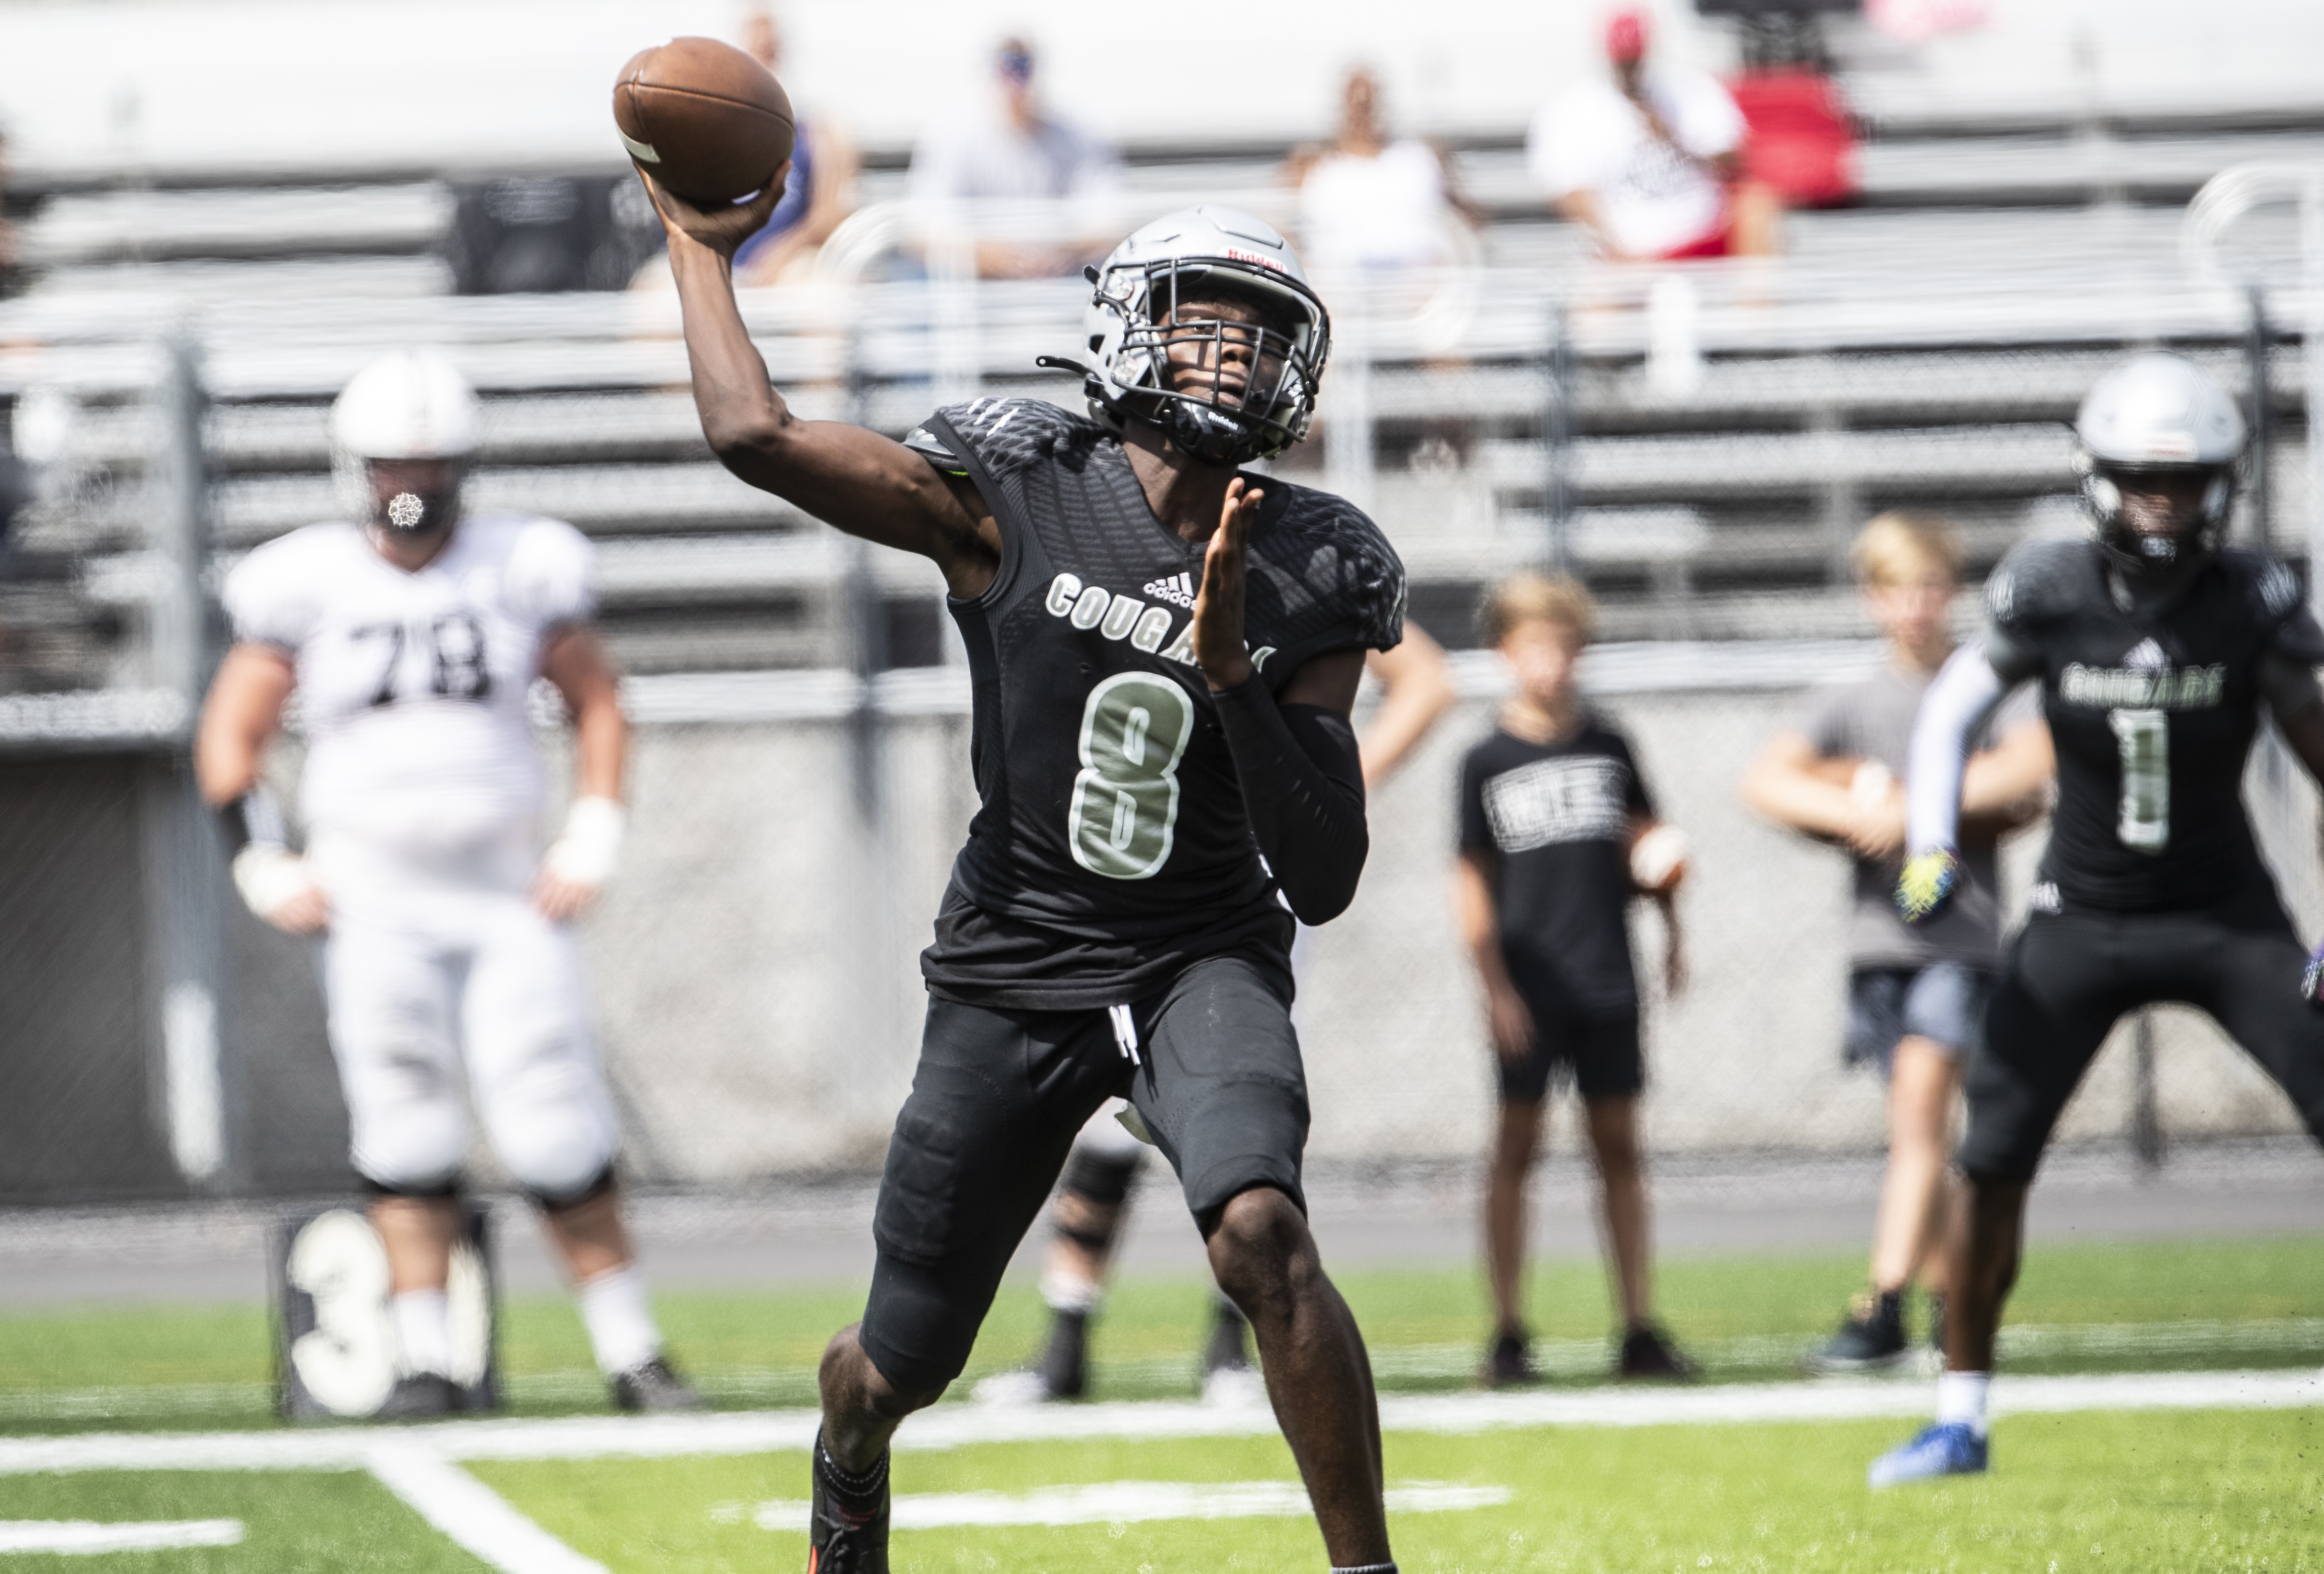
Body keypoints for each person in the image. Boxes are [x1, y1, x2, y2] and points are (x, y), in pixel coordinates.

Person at [646, 161, 1408, 1573]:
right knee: (898, 1363)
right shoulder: (1016, 483)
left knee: (1262, 1235)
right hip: (1015, 964)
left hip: (1202, 953)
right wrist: (701, 248)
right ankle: (848, 1458)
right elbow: (755, 434)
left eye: (1260, 329)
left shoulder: (1317, 558)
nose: (1234, 354)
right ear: (1128, 326)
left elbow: (1328, 872)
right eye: (1206, 320)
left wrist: (1233, 667)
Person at [194, 350, 700, 1418]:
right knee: (404, 1126)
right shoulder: (306, 578)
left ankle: (632, 1350)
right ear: (355, 468)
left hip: (503, 895)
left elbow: (597, 702)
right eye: (391, 463)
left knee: (556, 1122)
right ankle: (423, 1354)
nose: (409, 482)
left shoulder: (522, 564)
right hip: (373, 901)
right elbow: (230, 733)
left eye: (429, 461)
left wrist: (593, 830)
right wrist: (259, 850)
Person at [1869, 354, 2324, 1485]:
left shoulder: (2255, 599)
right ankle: (1960, 1413)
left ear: (2221, 483)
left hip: (2227, 915)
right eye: (2139, 480)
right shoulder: (2051, 588)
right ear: (2097, 478)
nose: (2160, 503)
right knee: (1988, 1156)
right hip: (2080, 915)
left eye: (2183, 482)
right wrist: (1931, 845)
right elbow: (1947, 717)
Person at [977, 624, 1461, 1408]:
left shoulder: (1294, 553)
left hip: (1237, 867)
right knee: (1106, 1107)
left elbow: (1428, 679)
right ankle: (1065, 1350)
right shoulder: (1126, 542)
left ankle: (1232, 1348)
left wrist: (1323, 791)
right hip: (1141, 857)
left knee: (1237, 1102)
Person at [1740, 513, 2051, 1370]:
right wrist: (1853, 808)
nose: (1915, 606)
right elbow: (1766, 782)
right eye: (1896, 589)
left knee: (1918, 1114)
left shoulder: (1982, 682)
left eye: (1929, 586)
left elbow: (2028, 768)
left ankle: (1879, 1303)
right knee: (1922, 1132)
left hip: (1959, 941)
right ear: (1872, 598)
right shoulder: (1850, 698)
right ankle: (1957, 1303)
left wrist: (1912, 806)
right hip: (1879, 944)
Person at [1453, 572, 1695, 1386]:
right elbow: (1471, 881)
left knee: (1619, 1147)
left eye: (1561, 646)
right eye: (1532, 647)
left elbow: (1646, 840)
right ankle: (1507, 1332)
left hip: (1604, 976)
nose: (1549, 663)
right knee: (1514, 1148)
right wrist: (1493, 987)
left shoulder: (1608, 743)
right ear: (1503, 654)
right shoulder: (1485, 758)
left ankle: (1636, 1325)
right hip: (1529, 982)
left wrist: (1670, 925)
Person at [1526, 6, 1780, 262]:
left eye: (1634, 59)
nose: (1630, 68)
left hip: (1705, 230)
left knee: (1758, 203)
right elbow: (1570, 192)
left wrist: (1675, 137)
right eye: (1623, 61)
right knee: (1601, 289)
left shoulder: (1691, 91)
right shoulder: (1570, 110)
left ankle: (1756, 298)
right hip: (1633, 247)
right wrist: (1618, 248)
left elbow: (1737, 164)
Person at [907, 36, 1122, 279]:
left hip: (1063, 284)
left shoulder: (1077, 133)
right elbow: (924, 230)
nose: (1016, 86)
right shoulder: (951, 134)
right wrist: (991, 258)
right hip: (977, 290)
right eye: (1008, 70)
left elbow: (1107, 218)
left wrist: (1061, 254)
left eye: (1023, 70)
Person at [1286, 68, 1483, 276]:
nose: (1363, 114)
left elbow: (1469, 217)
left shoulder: (1422, 157)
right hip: (1337, 290)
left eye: (1370, 104)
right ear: (1343, 106)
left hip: (1423, 290)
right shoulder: (1312, 164)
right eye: (1357, 105)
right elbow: (1279, 224)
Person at [729, 7, 858, 288]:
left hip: (793, 267)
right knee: (655, 299)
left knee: (819, 293)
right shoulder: (710, 133)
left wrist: (783, 253)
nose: (763, 52)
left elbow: (830, 217)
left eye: (770, 47)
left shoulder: (822, 132)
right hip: (725, 264)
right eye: (756, 44)